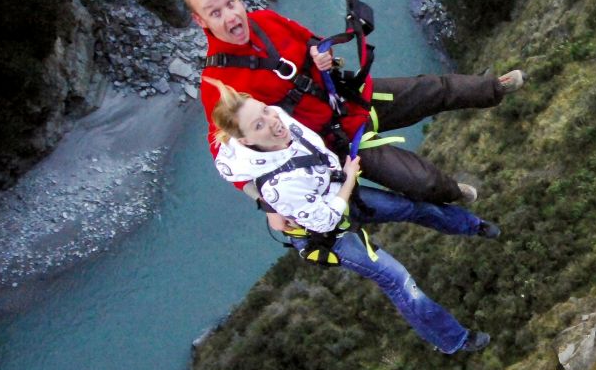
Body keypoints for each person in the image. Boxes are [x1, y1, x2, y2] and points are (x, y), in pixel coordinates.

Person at [183, 0, 525, 217]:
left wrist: (321, 53)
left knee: (431, 89)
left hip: (351, 100)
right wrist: (270, 201)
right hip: (339, 144)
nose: (231, 16)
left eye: (231, 3)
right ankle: (453, 193)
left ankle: (495, 87)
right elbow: (224, 154)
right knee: (418, 180)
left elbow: (313, 41)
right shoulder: (218, 81)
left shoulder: (267, 21)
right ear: (201, 21)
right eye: (216, 13)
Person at [208, 79, 497, 354]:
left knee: (414, 207)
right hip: (327, 232)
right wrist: (348, 179)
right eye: (259, 124)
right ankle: (454, 340)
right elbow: (324, 221)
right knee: (398, 279)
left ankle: (473, 226)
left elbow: (239, 162)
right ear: (246, 140)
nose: (272, 121)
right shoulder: (279, 186)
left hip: (334, 191)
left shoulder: (275, 123)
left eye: (266, 110)